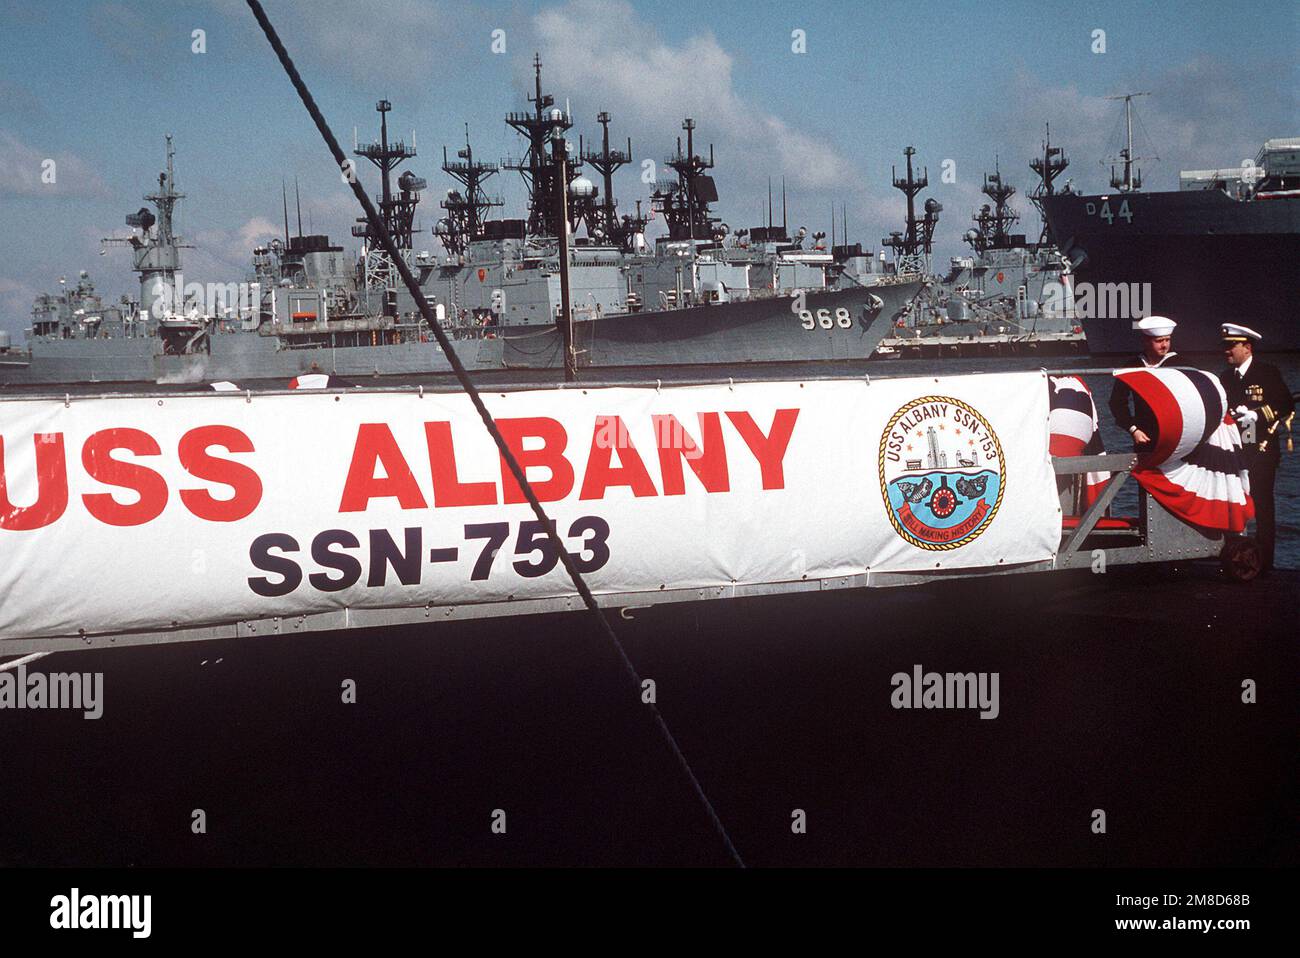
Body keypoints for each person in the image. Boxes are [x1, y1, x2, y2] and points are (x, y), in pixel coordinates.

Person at [1219, 323, 1295, 573]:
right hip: (1234, 453)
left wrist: (1256, 415)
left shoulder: (1267, 373)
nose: (1227, 350)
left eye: (1232, 346)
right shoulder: (1225, 378)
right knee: (1232, 504)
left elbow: (1285, 405)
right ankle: (1237, 558)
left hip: (1261, 451)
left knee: (1262, 506)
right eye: (1225, 346)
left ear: (1247, 347)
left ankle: (1265, 565)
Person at [1108, 315, 1180, 449]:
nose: (1164, 345)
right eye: (1159, 341)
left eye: (1167, 340)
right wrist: (1133, 429)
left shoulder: (1181, 365)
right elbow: (1116, 402)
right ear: (1146, 341)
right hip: (1145, 435)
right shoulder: (1132, 366)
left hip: (1177, 434)